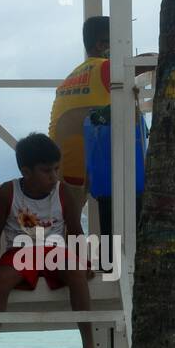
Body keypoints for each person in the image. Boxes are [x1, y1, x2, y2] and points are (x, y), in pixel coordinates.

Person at [0, 133, 101, 348]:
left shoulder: (63, 192)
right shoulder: (8, 192)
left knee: (76, 275)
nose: (54, 176)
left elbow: (76, 231)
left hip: (56, 250)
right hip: (21, 251)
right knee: (2, 281)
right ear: (26, 172)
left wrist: (84, 263)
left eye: (56, 169)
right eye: (47, 171)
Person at [48, 15, 146, 244]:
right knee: (126, 182)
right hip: (94, 161)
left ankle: (71, 257)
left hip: (62, 164)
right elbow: (153, 62)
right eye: (120, 43)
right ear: (102, 45)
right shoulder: (107, 68)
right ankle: (117, 256)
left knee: (68, 218)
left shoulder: (70, 77)